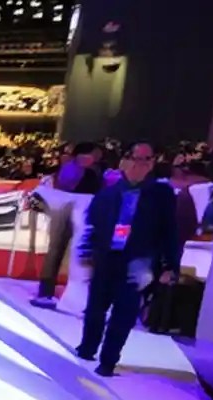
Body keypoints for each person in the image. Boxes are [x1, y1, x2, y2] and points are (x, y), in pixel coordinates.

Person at [76, 142, 180, 377]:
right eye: (138, 158)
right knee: (95, 309)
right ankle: (87, 348)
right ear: (127, 160)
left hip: (139, 262)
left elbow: (170, 231)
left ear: (153, 163)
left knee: (123, 314)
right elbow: (92, 225)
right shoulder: (109, 192)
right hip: (106, 257)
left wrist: (170, 265)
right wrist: (87, 251)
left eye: (147, 159)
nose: (142, 164)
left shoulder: (161, 195)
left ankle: (109, 361)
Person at [31, 141, 104, 308]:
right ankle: (46, 291)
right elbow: (65, 185)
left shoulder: (96, 170)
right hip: (65, 209)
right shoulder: (71, 167)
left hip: (86, 211)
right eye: (93, 153)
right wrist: (81, 169)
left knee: (81, 250)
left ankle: (78, 293)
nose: (96, 157)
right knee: (56, 249)